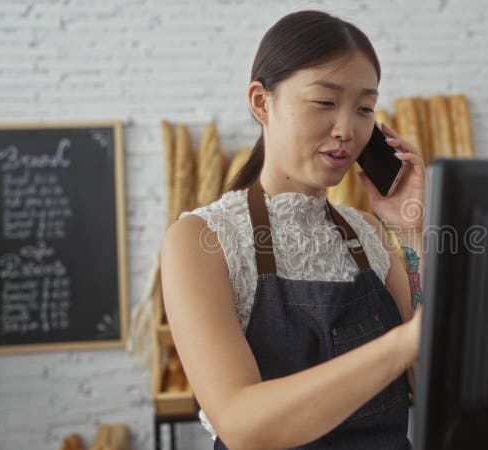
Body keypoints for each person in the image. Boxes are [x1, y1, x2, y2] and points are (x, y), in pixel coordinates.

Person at [161, 10, 426, 450]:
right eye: (325, 102)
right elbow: (243, 425)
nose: (347, 129)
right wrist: (400, 345)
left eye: (364, 108)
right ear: (262, 102)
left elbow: (430, 378)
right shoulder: (200, 241)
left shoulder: (370, 238)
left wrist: (414, 232)